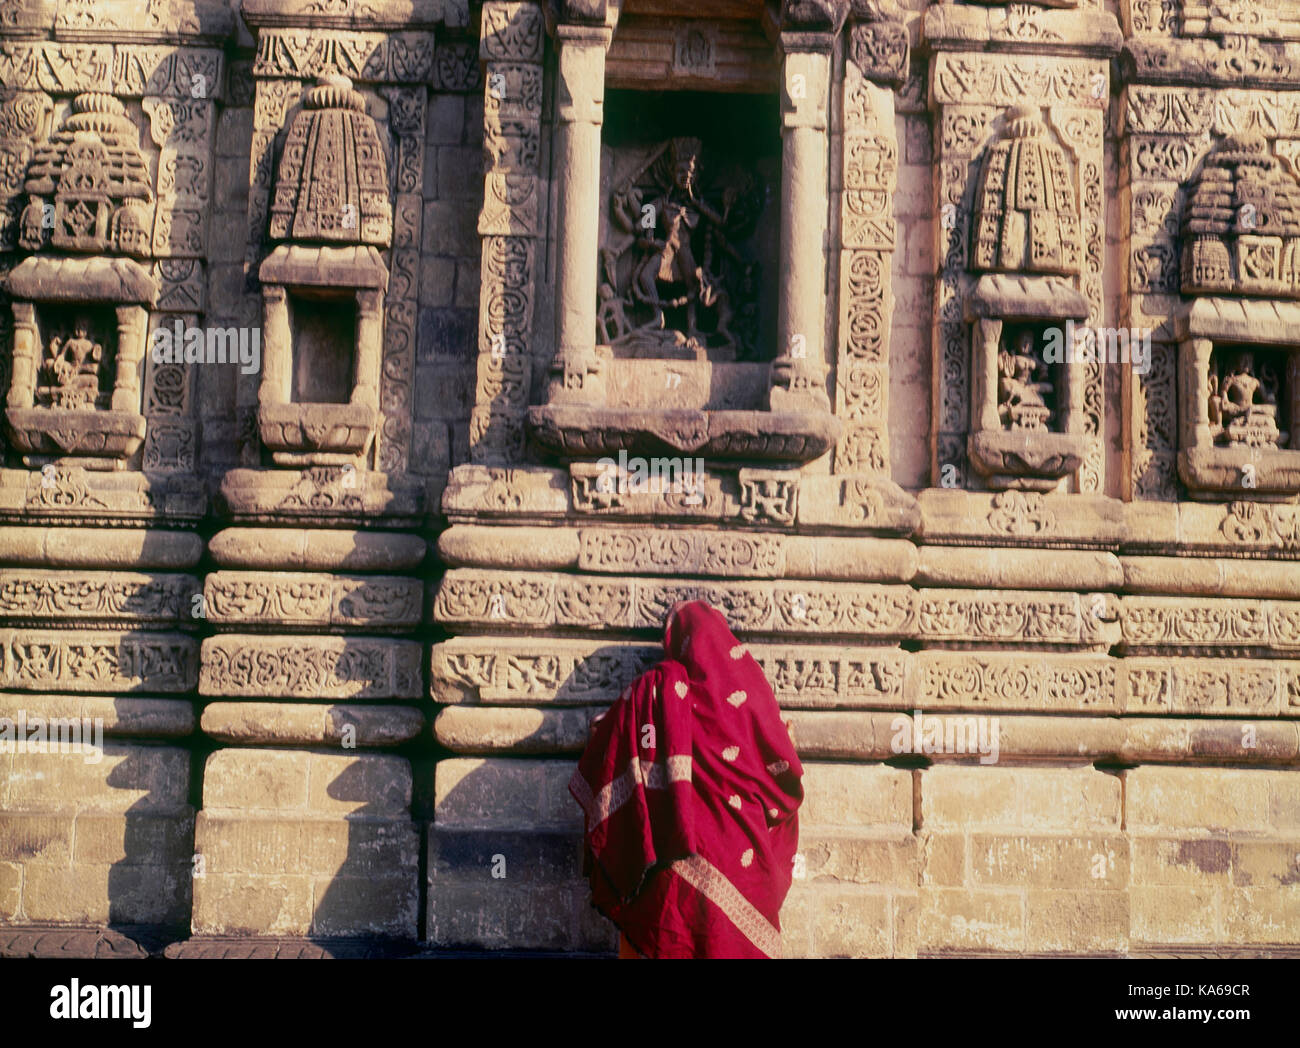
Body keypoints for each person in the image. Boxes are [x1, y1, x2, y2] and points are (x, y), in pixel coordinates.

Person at [569, 599, 803, 958]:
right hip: (743, 852)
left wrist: (603, 729)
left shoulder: (659, 687)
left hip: (677, 851)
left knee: (664, 915)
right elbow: (783, 768)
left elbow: (618, 736)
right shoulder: (752, 691)